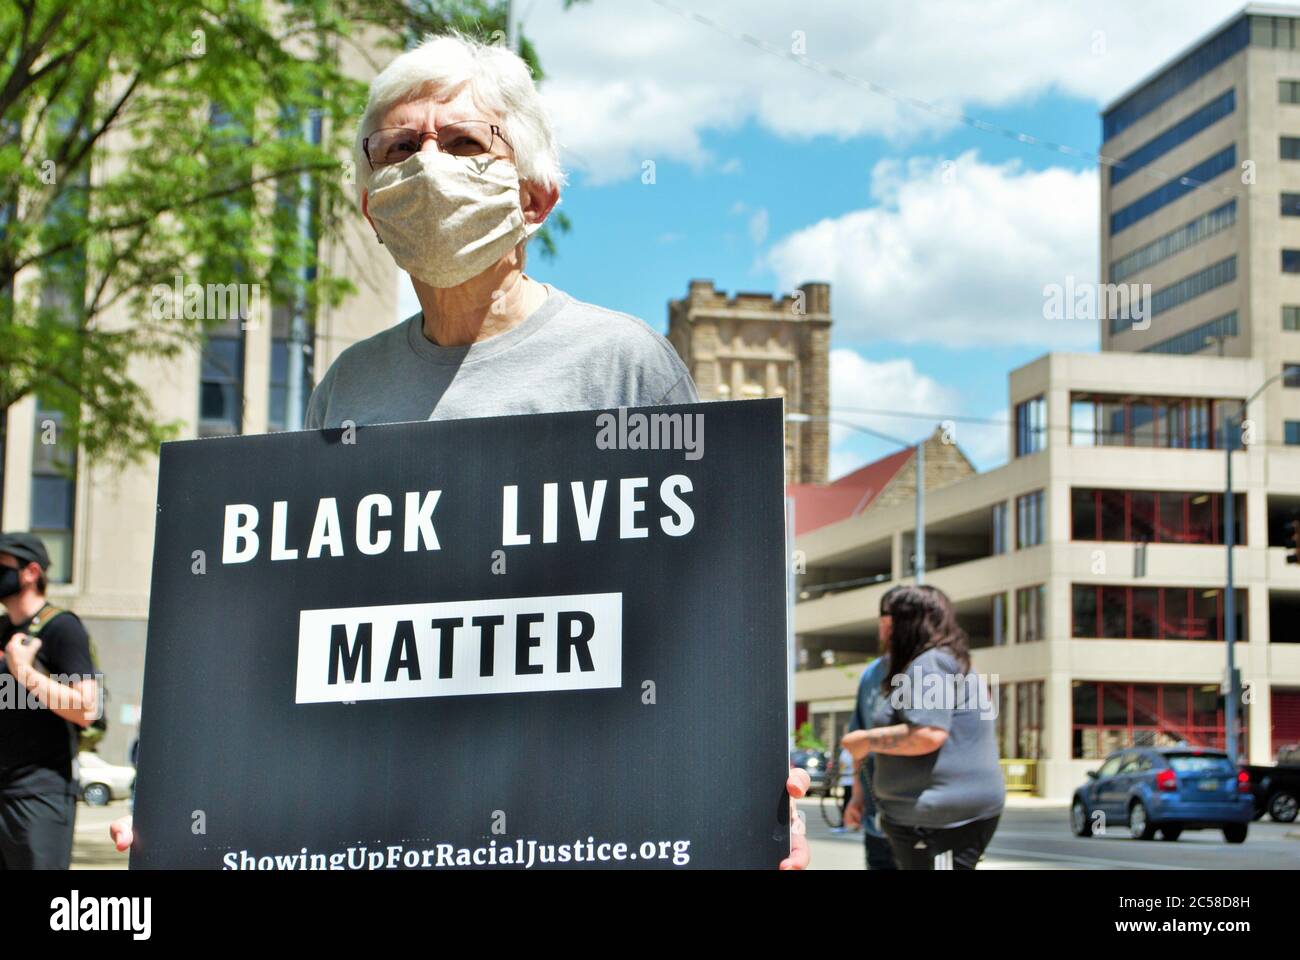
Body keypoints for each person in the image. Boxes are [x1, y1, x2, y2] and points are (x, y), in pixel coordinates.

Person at [111, 29, 810, 869]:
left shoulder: (622, 363)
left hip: (577, 824)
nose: (427, 165)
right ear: (372, 208)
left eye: (466, 141)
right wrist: (188, 798)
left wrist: (745, 797)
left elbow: (704, 608)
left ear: (536, 196)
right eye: (400, 148)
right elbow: (300, 618)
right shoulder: (348, 384)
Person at [841, 584, 1004, 870]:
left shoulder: (930, 664)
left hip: (939, 820)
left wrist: (865, 741)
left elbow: (928, 734)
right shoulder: (947, 661)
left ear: (903, 622)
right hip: (941, 816)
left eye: (886, 618)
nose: (882, 627)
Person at [0, 532, 100, 869]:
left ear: (30, 572)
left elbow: (87, 709)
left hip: (39, 796)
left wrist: (23, 671)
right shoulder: (1, 629)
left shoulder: (62, 628)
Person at [842, 651, 897, 869]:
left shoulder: (936, 667)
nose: (886, 624)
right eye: (883, 616)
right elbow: (859, 743)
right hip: (878, 819)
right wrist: (857, 797)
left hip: (924, 822)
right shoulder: (872, 673)